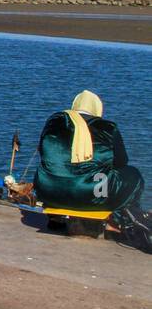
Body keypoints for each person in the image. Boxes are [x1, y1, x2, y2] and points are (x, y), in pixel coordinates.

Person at [34, 90, 150, 252]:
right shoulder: (107, 127)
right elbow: (122, 161)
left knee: (56, 171)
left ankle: (55, 218)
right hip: (94, 194)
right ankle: (119, 221)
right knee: (133, 175)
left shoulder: (54, 122)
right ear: (98, 109)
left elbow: (44, 153)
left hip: (48, 191)